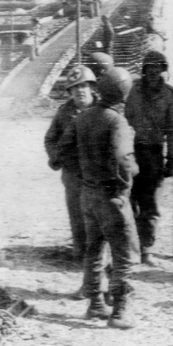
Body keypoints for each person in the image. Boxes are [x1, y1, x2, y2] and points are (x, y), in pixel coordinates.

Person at [74, 67, 139, 329]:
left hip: (88, 193)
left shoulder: (83, 117)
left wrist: (86, 175)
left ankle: (95, 304)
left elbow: (64, 151)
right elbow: (124, 159)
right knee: (124, 254)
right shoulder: (117, 121)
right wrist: (126, 182)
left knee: (94, 250)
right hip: (111, 196)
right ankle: (119, 312)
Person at [124, 50, 173, 266]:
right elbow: (126, 118)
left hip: (154, 153)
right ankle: (129, 248)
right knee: (128, 199)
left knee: (150, 204)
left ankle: (146, 249)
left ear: (163, 71)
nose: (153, 73)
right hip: (132, 151)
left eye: (157, 69)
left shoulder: (169, 95)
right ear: (144, 70)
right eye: (149, 68)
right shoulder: (133, 91)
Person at [44, 65, 97, 263]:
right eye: (75, 87)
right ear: (70, 92)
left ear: (91, 87)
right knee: (76, 212)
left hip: (98, 173)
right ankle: (80, 250)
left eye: (83, 86)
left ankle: (97, 255)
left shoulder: (104, 109)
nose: (80, 91)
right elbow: (50, 139)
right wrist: (56, 158)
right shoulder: (64, 113)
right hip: (73, 173)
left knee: (99, 214)